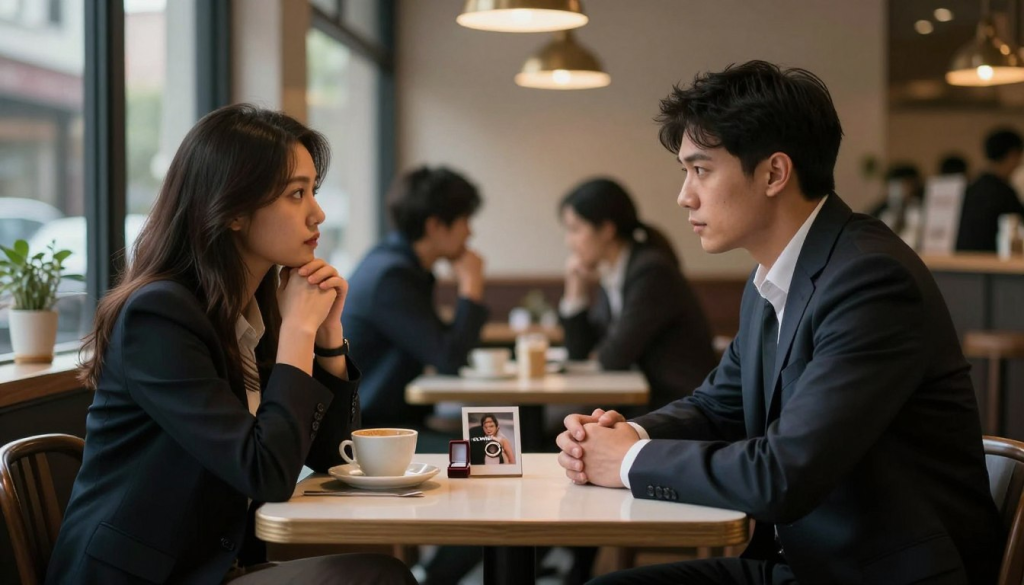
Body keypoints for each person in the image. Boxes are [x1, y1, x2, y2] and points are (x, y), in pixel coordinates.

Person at [557, 61, 1001, 585]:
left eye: (700, 170)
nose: (684, 196)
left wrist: (629, 461)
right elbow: (717, 404)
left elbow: (785, 474)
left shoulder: (870, 279)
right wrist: (626, 432)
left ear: (773, 173)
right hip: (804, 562)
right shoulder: (773, 275)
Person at [47, 105, 415, 585]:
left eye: (314, 192)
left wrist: (326, 339)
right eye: (296, 194)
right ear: (235, 210)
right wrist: (297, 332)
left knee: (380, 573)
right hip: (143, 577)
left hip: (211, 567)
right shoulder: (159, 316)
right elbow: (267, 474)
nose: (318, 213)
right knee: (377, 578)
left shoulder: (249, 311)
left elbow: (332, 455)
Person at [342, 166, 488, 445]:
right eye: (465, 220)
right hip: (371, 435)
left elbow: (443, 346)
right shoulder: (391, 277)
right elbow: (449, 359)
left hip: (390, 424)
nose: (470, 232)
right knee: (494, 449)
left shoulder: (397, 265)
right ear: (435, 226)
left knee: (492, 443)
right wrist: (471, 286)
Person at [559, 178, 716, 410]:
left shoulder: (650, 272)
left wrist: (600, 354)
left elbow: (613, 357)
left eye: (575, 229)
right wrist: (576, 289)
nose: (568, 241)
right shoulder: (615, 271)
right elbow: (580, 352)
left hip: (681, 405)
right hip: (650, 402)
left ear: (606, 230)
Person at [956, 128, 1024, 252]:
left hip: (963, 262)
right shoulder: (1004, 193)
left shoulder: (972, 187)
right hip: (994, 263)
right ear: (1013, 154)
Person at [868, 164, 924, 248]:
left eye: (903, 184)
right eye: (893, 185)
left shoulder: (921, 208)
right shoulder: (881, 211)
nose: (896, 190)